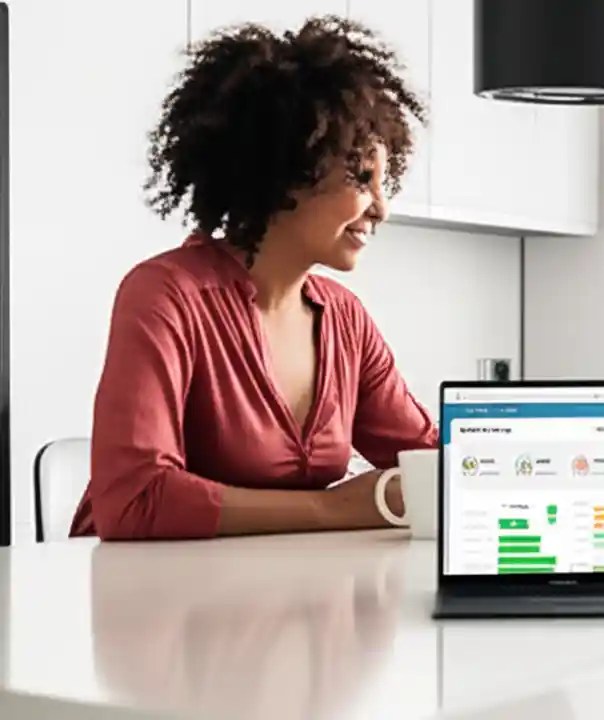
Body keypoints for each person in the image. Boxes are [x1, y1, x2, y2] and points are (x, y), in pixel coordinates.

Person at [70, 16, 435, 540]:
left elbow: (429, 457)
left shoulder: (345, 320)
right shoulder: (165, 296)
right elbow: (136, 500)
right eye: (361, 178)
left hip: (274, 601)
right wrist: (341, 509)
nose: (381, 208)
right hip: (140, 604)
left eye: (384, 181)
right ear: (287, 168)